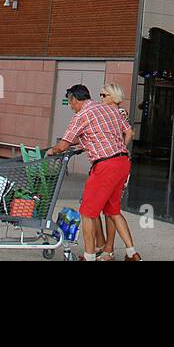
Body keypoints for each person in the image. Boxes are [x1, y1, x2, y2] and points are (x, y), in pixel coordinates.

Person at [46, 84, 141, 261]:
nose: (71, 107)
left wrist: (53, 150)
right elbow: (112, 134)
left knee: (87, 212)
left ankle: (89, 256)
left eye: (70, 103)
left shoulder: (81, 116)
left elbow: (63, 144)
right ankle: (132, 254)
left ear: (75, 99)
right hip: (122, 162)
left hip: (105, 166)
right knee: (113, 211)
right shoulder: (109, 110)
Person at [96, 82, 137, 261]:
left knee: (110, 208)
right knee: (108, 207)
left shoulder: (118, 112)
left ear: (113, 96)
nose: (101, 98)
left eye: (104, 95)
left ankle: (107, 248)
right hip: (116, 163)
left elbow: (130, 133)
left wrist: (119, 148)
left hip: (114, 165)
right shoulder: (112, 113)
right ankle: (106, 246)